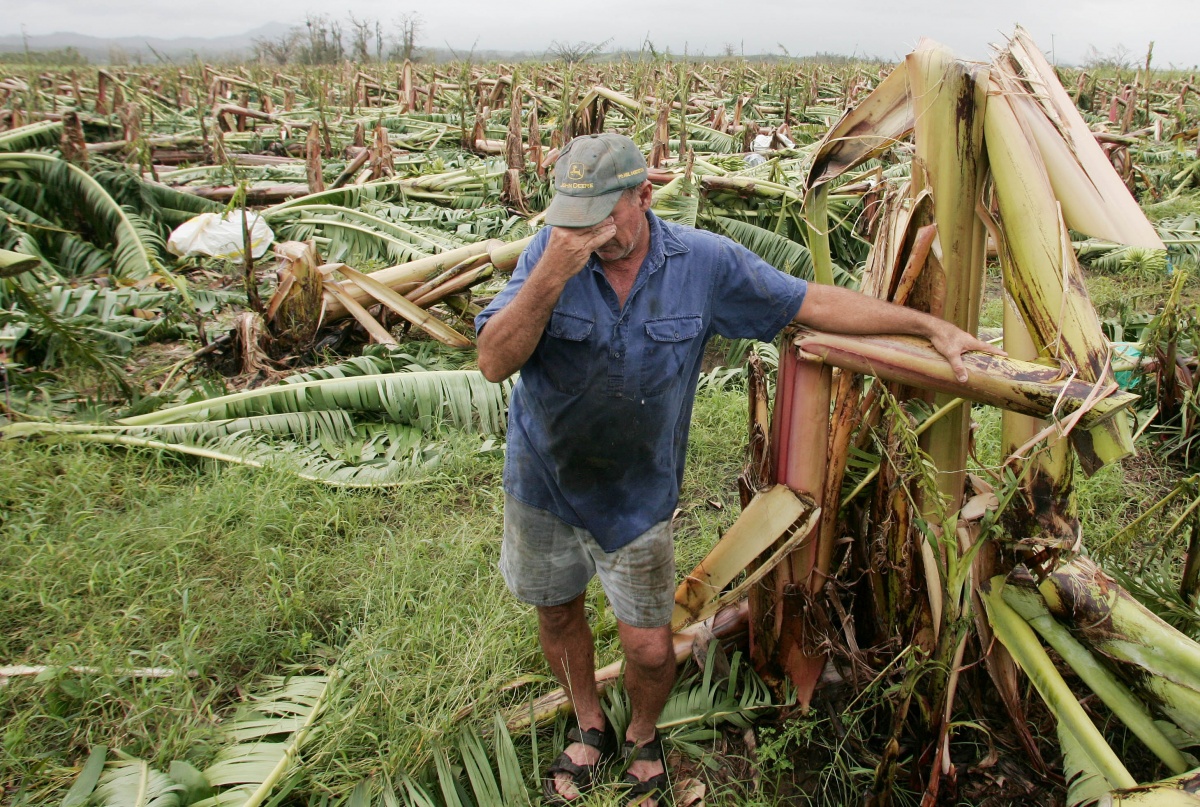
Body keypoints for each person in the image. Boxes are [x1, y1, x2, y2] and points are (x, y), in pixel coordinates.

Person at [475, 133, 999, 806]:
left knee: (651, 649)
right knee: (557, 616)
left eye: (606, 215)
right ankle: (588, 723)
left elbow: (810, 301)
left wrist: (927, 328)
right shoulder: (548, 256)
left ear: (646, 193)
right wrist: (550, 273)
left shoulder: (703, 264)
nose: (591, 233)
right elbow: (494, 360)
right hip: (543, 484)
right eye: (575, 219)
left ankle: (641, 733)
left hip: (636, 499)